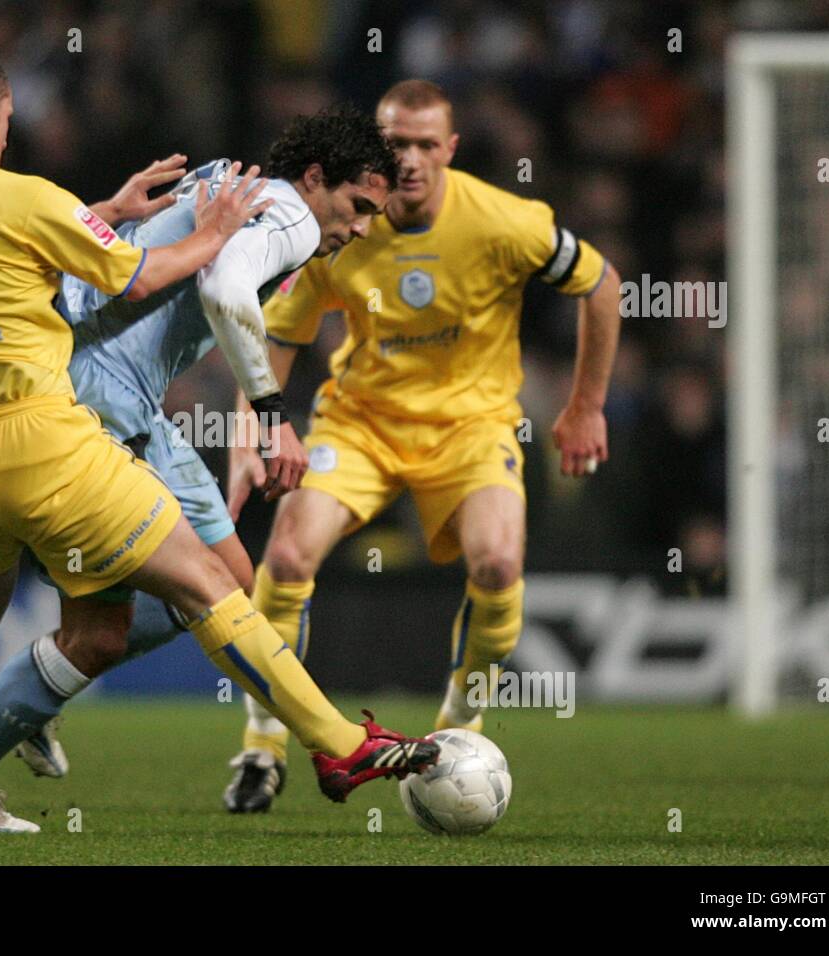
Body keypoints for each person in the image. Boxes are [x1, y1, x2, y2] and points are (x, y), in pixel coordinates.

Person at [0, 45, 438, 832]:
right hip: (82, 405)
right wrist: (269, 416)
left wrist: (107, 215)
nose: (363, 228)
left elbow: (28, 260)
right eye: (361, 207)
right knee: (192, 591)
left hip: (12, 418)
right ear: (315, 179)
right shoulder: (292, 216)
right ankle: (338, 746)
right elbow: (221, 283)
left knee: (189, 593)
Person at [217, 79, 622, 812]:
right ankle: (261, 747)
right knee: (285, 554)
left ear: (451, 148)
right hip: (361, 423)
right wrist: (254, 427)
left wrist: (585, 407)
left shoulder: (505, 221)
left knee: (498, 563)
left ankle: (458, 732)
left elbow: (602, 284)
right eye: (395, 142)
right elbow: (276, 333)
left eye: (425, 144)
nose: (408, 159)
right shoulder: (343, 225)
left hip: (472, 429)